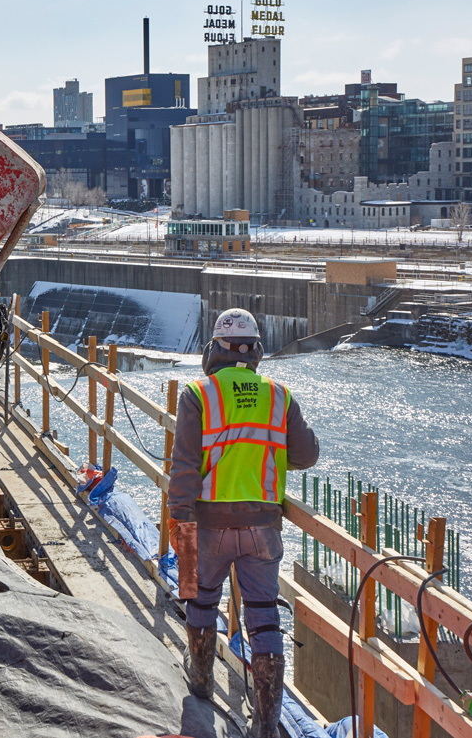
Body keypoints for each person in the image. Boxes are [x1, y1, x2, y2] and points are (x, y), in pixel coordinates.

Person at [168, 308, 319, 737]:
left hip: (208, 523)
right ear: (256, 351)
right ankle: (267, 724)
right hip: (263, 527)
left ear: (213, 350)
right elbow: (307, 455)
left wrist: (180, 524)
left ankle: (200, 683)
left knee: (200, 602)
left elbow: (184, 468)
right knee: (264, 618)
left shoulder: (198, 395)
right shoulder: (279, 396)